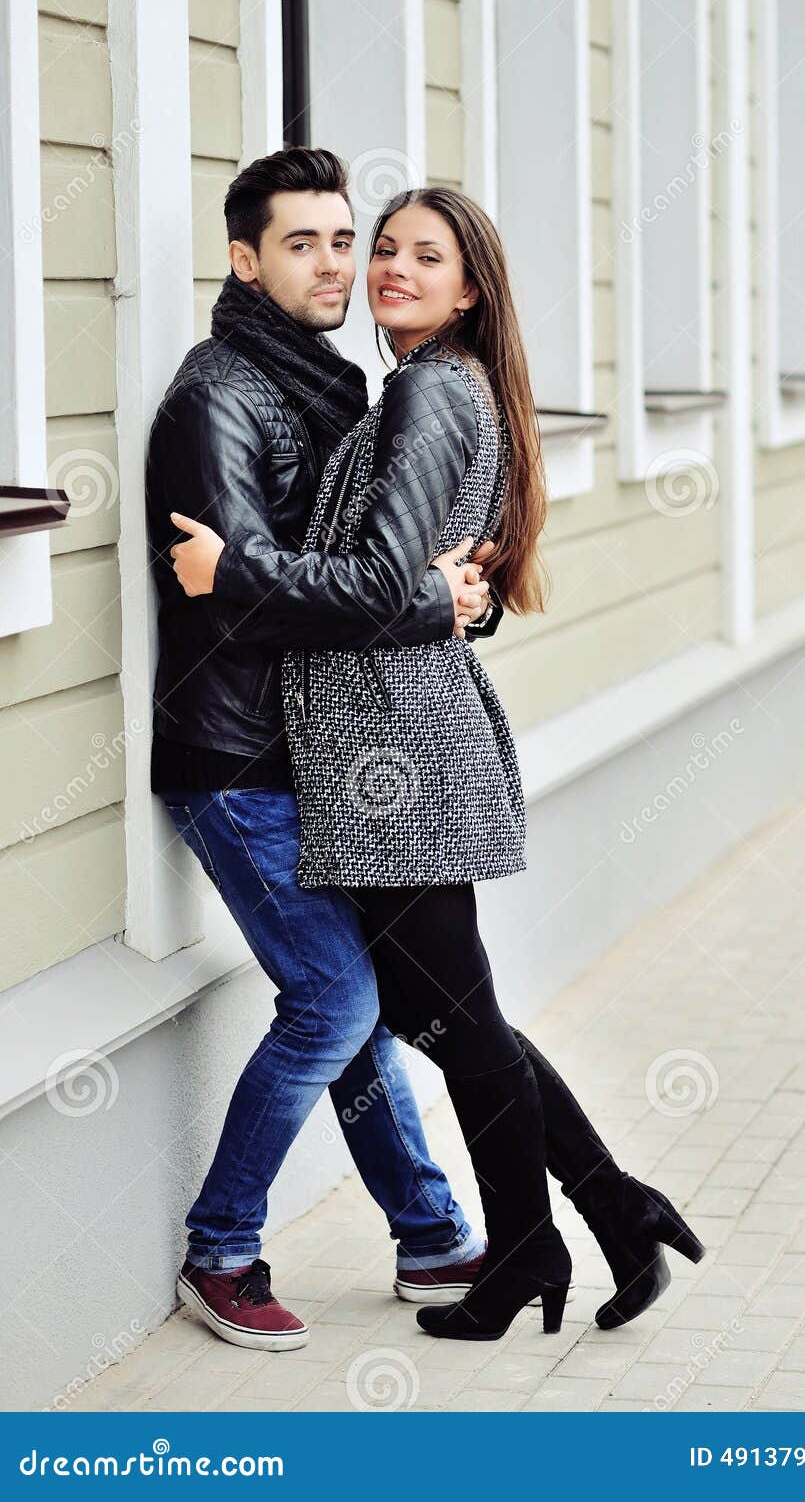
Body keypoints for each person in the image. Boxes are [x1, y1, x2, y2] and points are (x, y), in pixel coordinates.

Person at [170, 180, 706, 1342]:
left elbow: (378, 581)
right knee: (445, 1012)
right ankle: (605, 1214)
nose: (390, 270)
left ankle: (533, 1248)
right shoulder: (436, 387)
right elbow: (426, 576)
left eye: (425, 256)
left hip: (396, 749)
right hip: (388, 738)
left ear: (469, 290)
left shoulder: (427, 389)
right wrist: (438, 594)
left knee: (454, 1019)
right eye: (385, 249)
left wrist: (233, 573)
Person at [146, 147, 502, 1352]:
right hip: (234, 757)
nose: (338, 264)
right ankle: (221, 1247)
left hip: (315, 753)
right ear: (245, 261)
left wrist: (456, 594)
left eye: (346, 239)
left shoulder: (341, 384)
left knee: (363, 999)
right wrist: (429, 604)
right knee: (337, 999)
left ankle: (431, 1232)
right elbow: (237, 601)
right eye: (303, 243)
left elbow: (378, 562)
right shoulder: (215, 399)